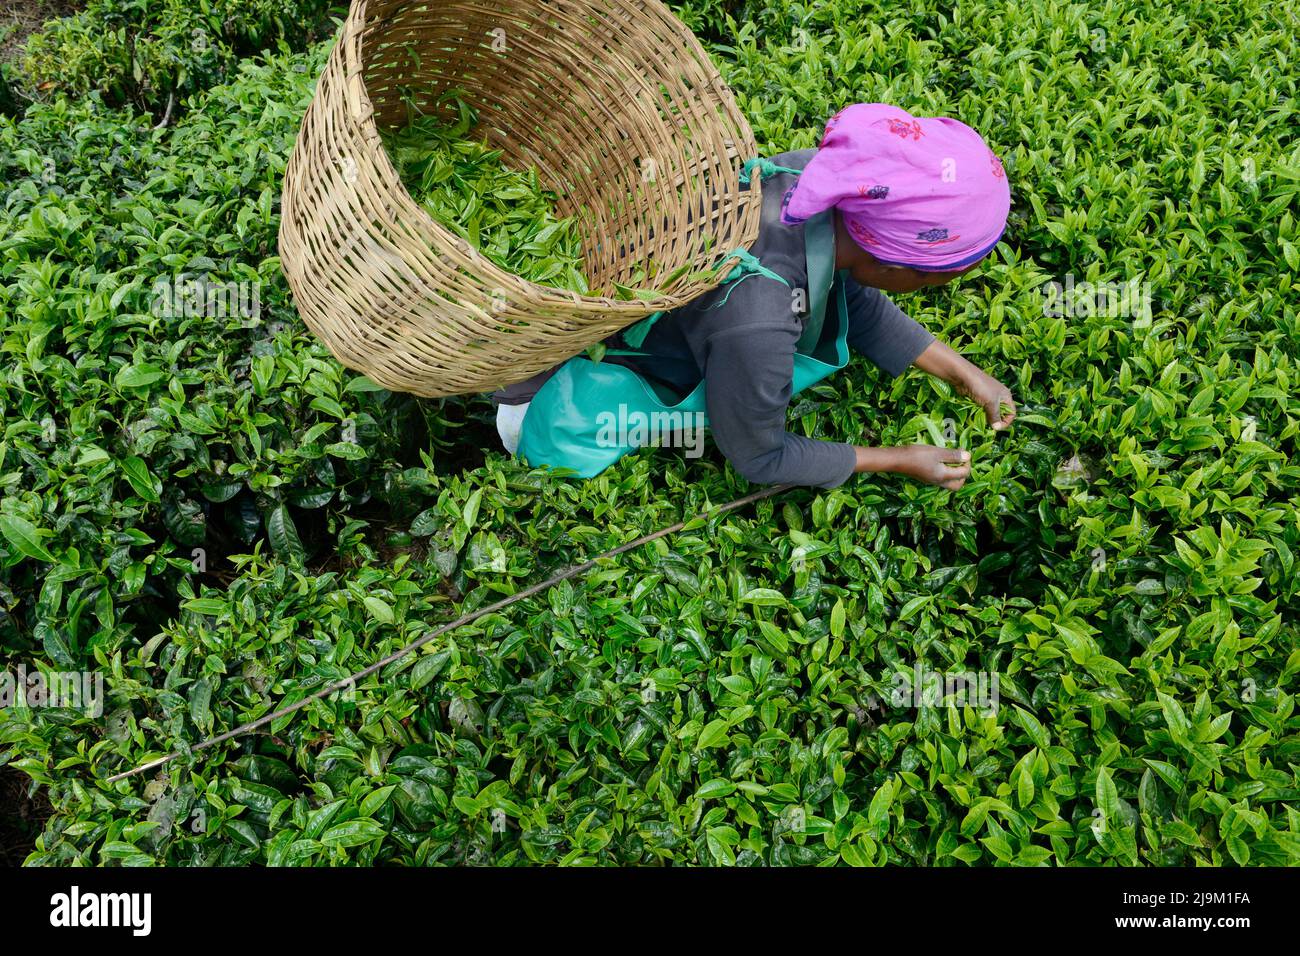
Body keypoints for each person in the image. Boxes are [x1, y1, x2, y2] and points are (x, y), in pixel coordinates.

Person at [494, 103, 1016, 491]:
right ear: (888, 262)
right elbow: (759, 456)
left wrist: (966, 374)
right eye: (933, 280)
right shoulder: (759, 319)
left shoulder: (816, 181)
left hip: (566, 320)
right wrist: (899, 458)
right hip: (550, 397)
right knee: (578, 432)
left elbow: (853, 299)